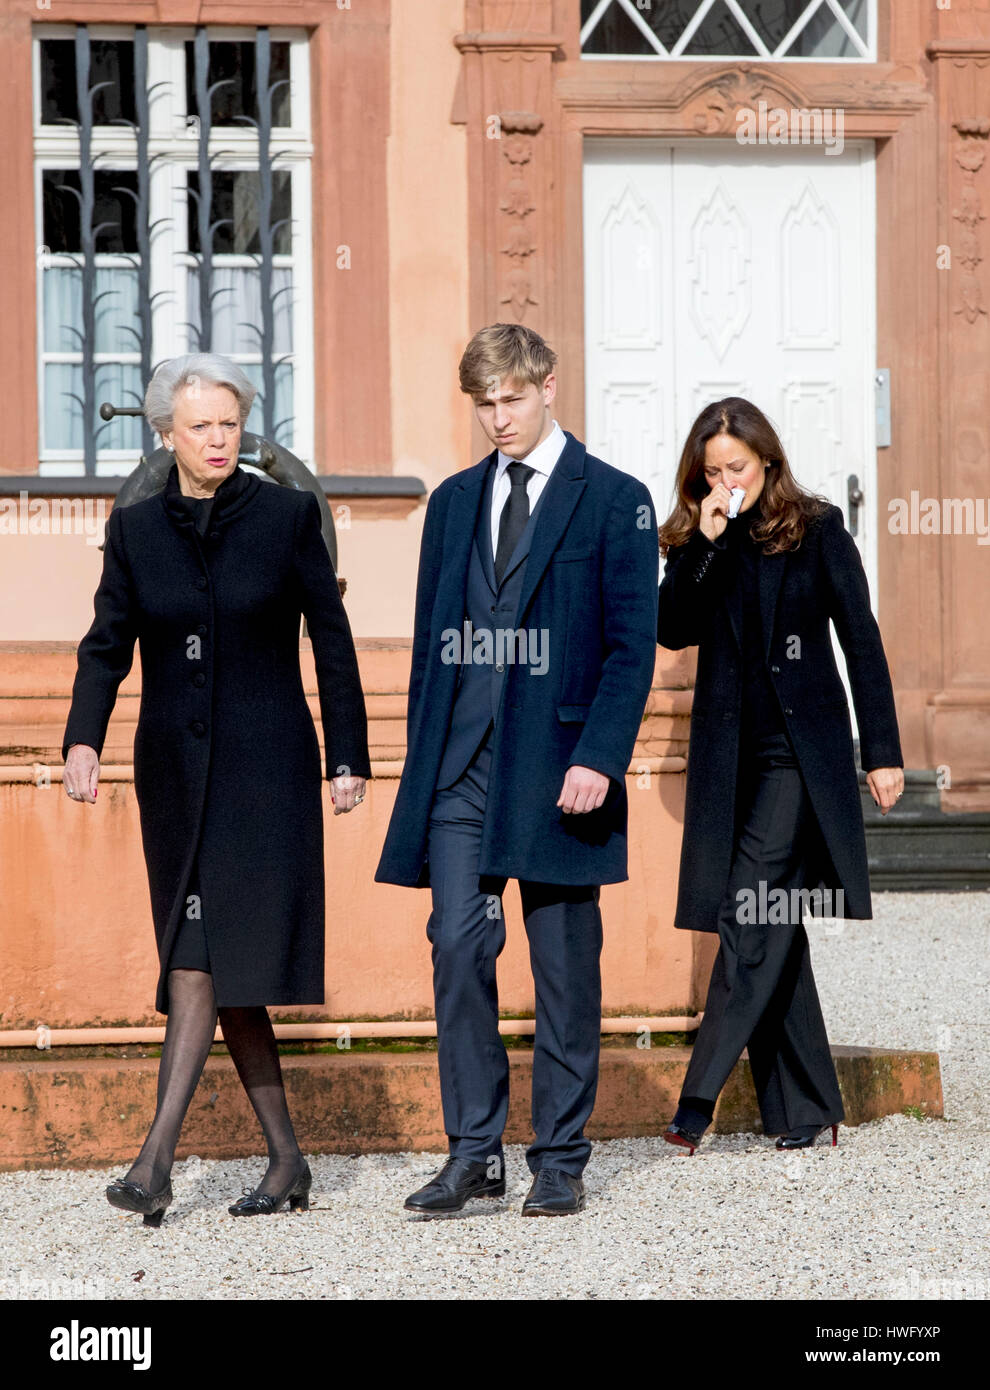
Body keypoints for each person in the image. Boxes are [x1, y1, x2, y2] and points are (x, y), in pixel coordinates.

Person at [62, 353, 370, 1224]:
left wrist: (347, 754)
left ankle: (154, 1164)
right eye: (200, 426)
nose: (219, 439)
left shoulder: (286, 517)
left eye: (229, 423)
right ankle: (287, 1162)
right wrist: (83, 736)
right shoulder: (136, 531)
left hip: (264, 776)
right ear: (167, 435)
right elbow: (105, 643)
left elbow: (333, 640)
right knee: (215, 966)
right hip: (173, 778)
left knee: (201, 960)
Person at [375, 323, 659, 1216]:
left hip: (561, 768)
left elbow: (631, 648)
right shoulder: (454, 503)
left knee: (564, 965)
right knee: (457, 947)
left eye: (511, 398)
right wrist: (423, 760)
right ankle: (473, 1151)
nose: (498, 417)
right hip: (462, 764)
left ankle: (562, 1156)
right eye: (483, 403)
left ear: (547, 388)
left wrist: (600, 758)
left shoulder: (616, 499)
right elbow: (432, 645)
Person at [657, 397, 904, 1154]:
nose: (726, 482)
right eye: (712, 472)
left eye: (737, 467)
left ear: (768, 461)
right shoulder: (703, 537)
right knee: (772, 918)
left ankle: (697, 1097)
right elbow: (674, 628)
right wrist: (703, 544)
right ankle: (806, 1108)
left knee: (748, 912)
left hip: (802, 758)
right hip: (732, 760)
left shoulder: (820, 528)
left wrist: (883, 751)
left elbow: (861, 641)